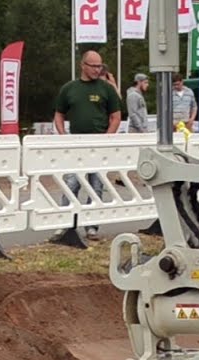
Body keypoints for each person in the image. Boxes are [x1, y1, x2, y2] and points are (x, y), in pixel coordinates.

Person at [53, 50, 122, 238]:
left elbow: (116, 117)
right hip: (76, 145)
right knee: (71, 183)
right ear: (83, 65)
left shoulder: (106, 89)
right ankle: (65, 224)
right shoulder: (69, 88)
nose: (97, 70)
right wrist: (63, 135)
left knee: (96, 185)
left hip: (98, 144)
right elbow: (59, 114)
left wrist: (107, 138)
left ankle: (92, 227)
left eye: (100, 66)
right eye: (94, 66)